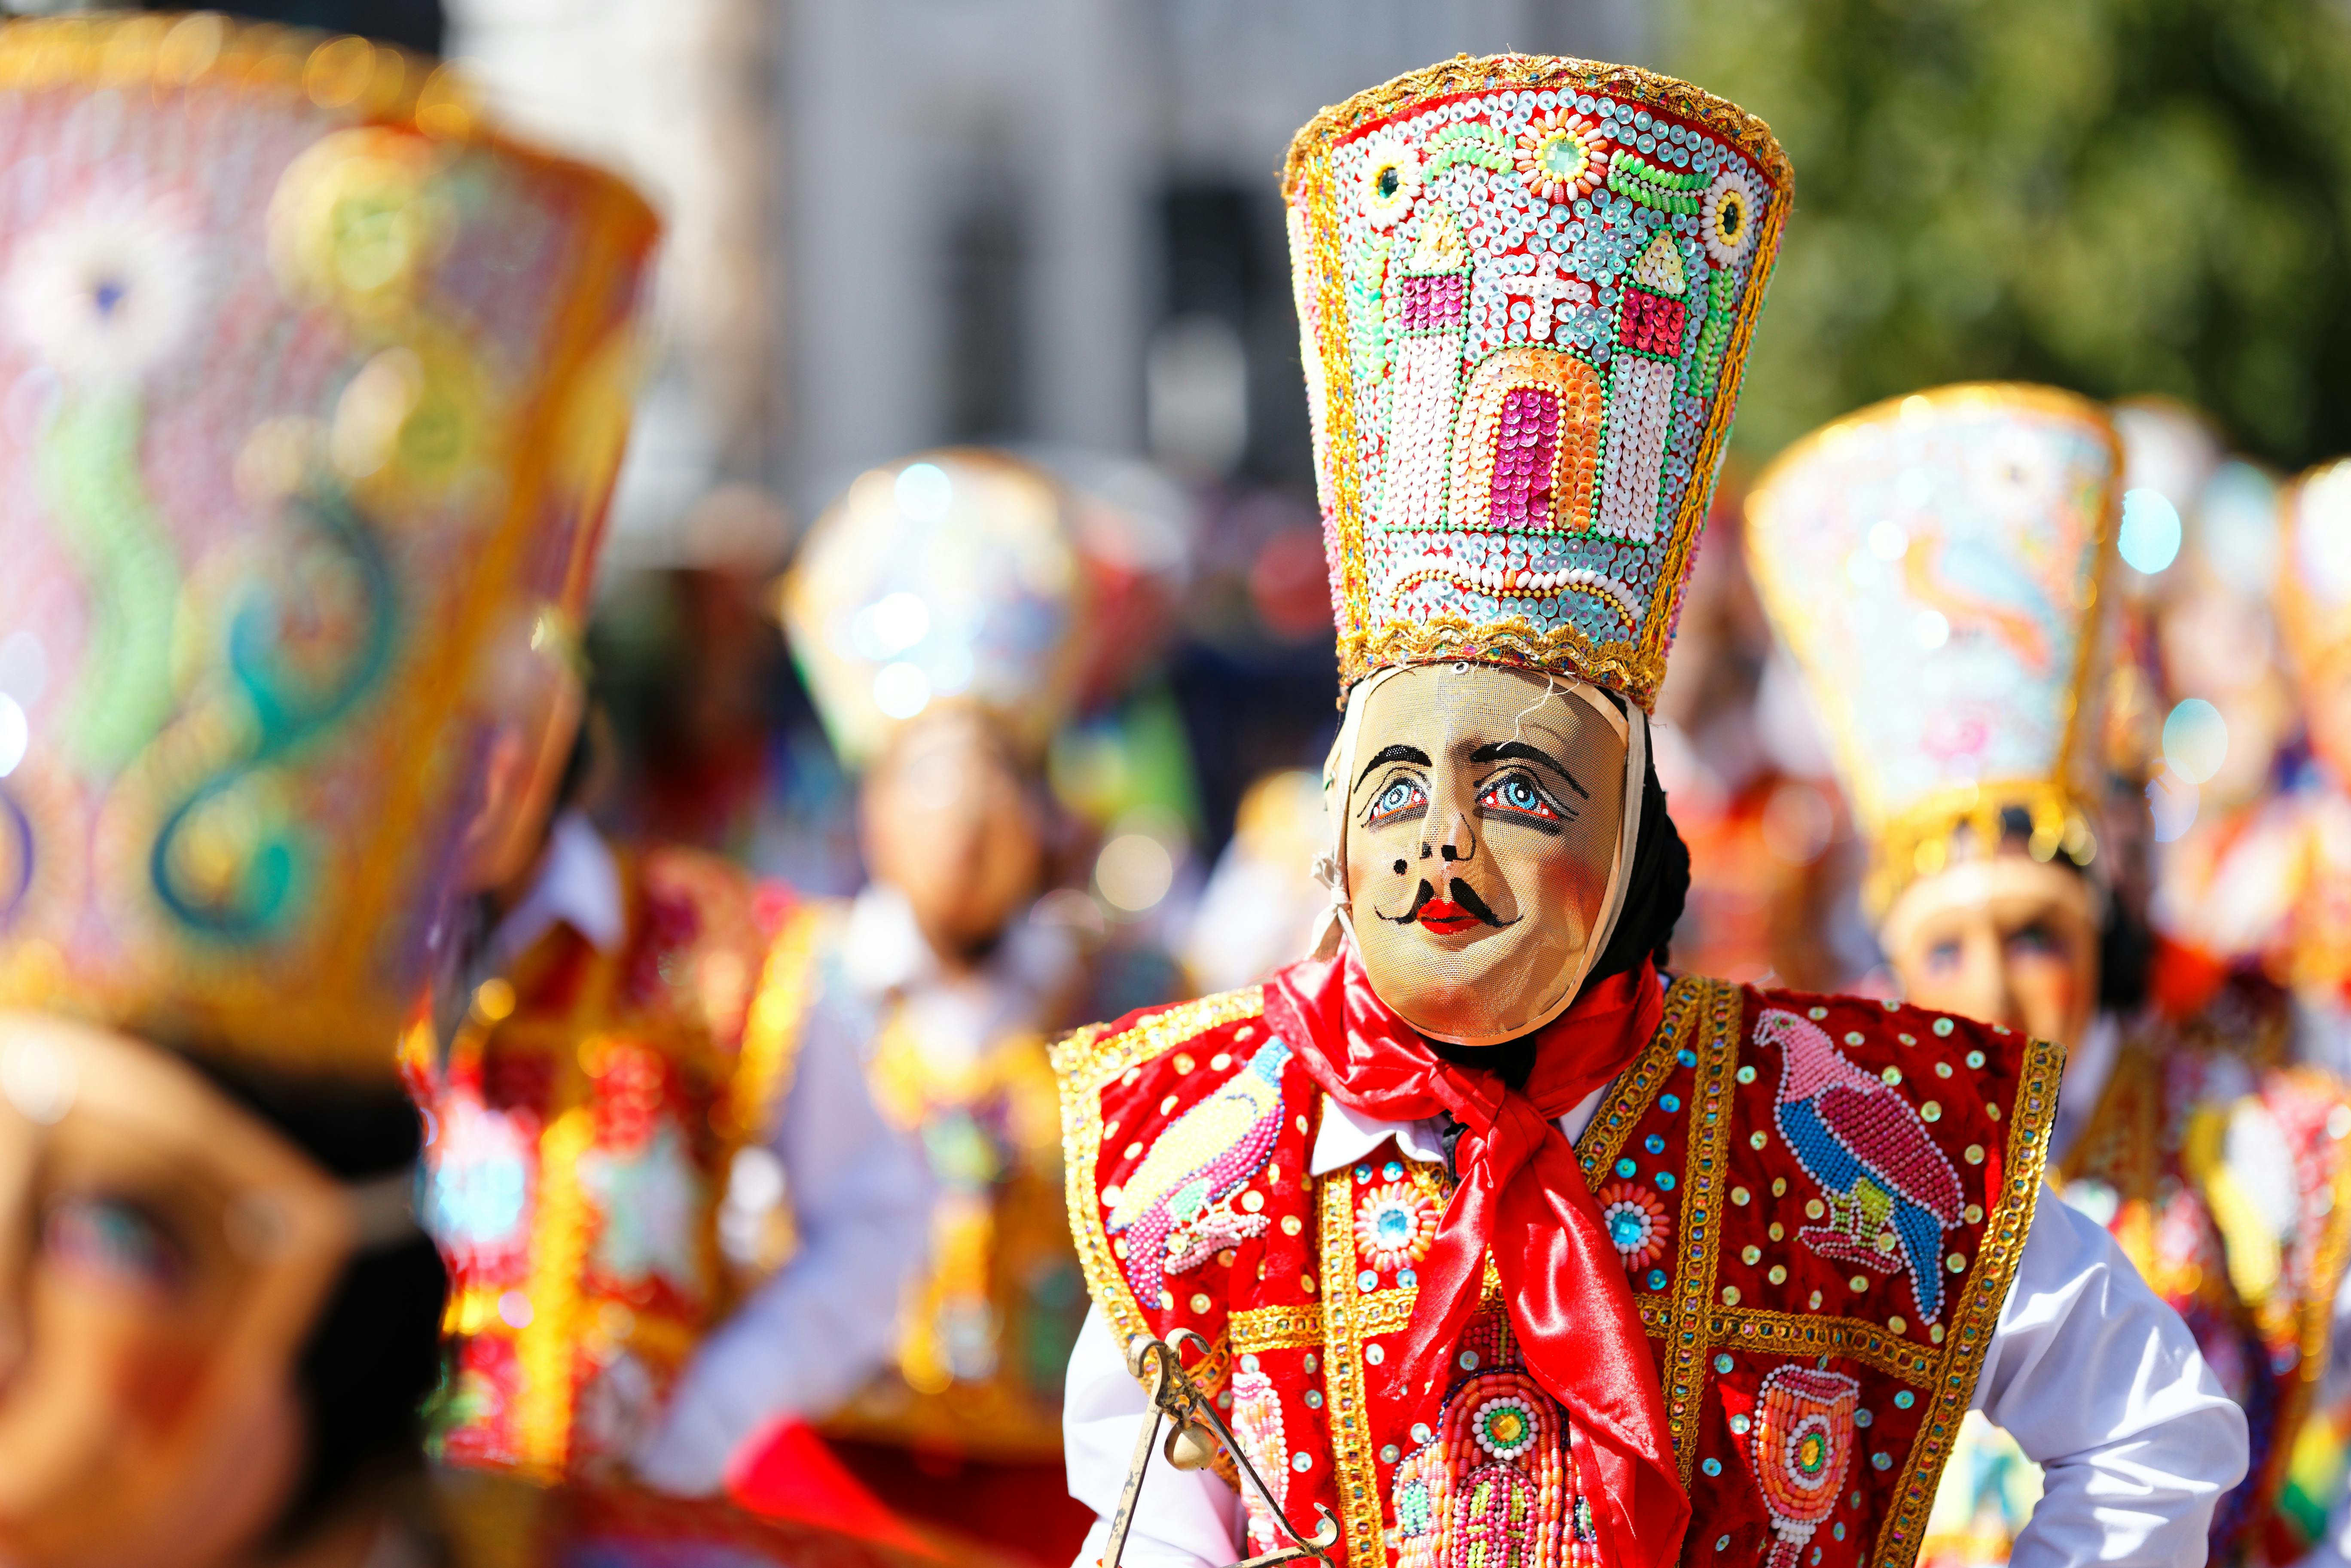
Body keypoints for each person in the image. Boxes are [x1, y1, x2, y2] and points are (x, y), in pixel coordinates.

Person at [1055, 55, 2248, 1568]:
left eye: (1521, 787)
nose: (1441, 841)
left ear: (1628, 848)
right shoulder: (1214, 1146)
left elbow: (2153, 1434)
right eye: (1397, 787)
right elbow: (1151, 1529)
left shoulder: (1819, 1120)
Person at [1746, 383, 2351, 1567]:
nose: (1991, 994)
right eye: (1946, 951)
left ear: (2097, 942)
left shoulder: (2262, 1150)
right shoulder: (1817, 1180)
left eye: (2034, 937)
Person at [738, 447, 1190, 1552]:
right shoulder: (793, 986)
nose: (962, 830)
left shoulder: (1132, 998)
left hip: (1053, 1493)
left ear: (1045, 810)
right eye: (926, 790)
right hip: (830, 1481)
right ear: (872, 811)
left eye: (994, 789)